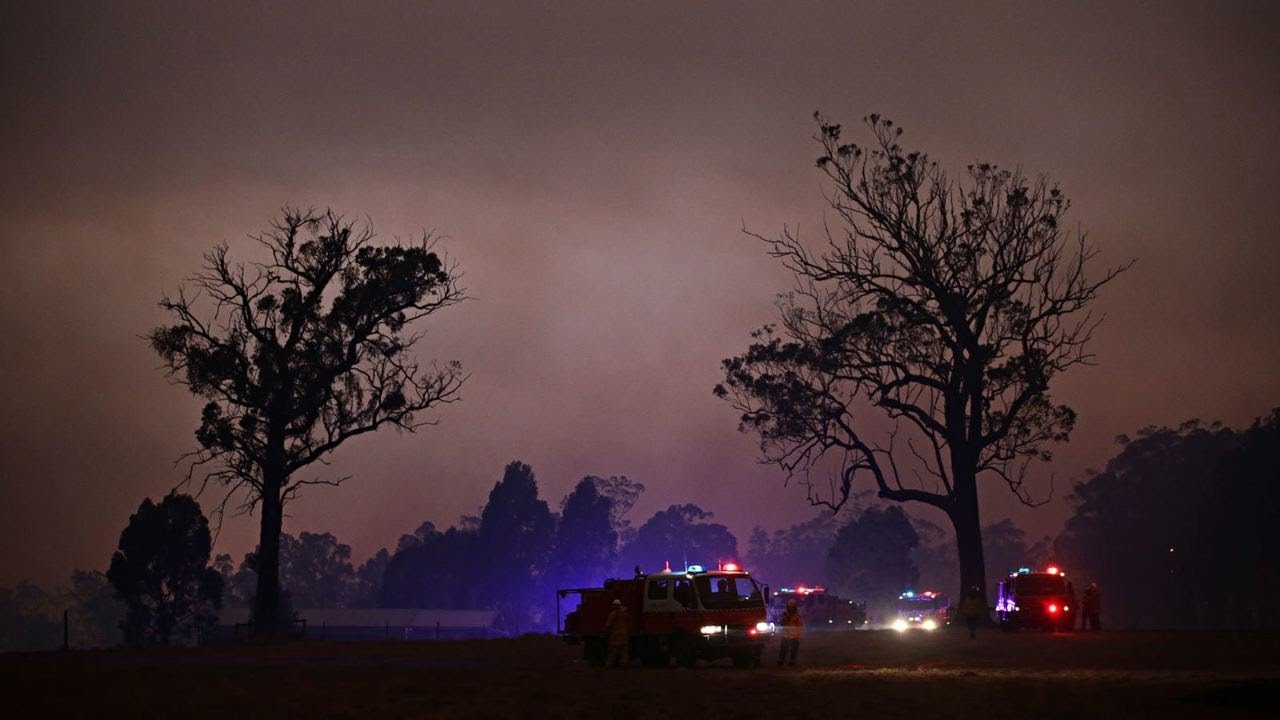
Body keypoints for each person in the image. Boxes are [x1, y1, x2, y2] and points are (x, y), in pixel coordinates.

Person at [604, 598, 630, 667]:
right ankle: (624, 664)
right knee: (624, 653)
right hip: (624, 636)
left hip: (615, 636)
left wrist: (606, 633)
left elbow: (608, 625)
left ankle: (609, 665)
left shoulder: (612, 614)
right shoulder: (625, 614)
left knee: (612, 652)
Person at [777, 598, 803, 666]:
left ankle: (792, 661)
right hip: (785, 636)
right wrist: (785, 618)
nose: (791, 608)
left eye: (792, 607)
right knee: (783, 649)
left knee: (793, 650)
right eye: (789, 607)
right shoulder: (785, 615)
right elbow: (781, 623)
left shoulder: (797, 616)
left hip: (794, 636)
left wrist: (799, 636)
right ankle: (781, 661)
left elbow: (800, 626)